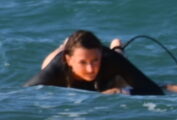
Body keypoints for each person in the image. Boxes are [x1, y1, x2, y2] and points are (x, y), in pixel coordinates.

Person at [25, 29, 165, 95]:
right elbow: (25, 95)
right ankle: (65, 46)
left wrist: (121, 91)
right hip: (63, 61)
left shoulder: (109, 59)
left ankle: (117, 48)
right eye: (83, 62)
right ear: (68, 60)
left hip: (108, 59)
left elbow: (154, 90)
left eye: (95, 61)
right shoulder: (55, 70)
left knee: (119, 70)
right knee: (49, 61)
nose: (91, 69)